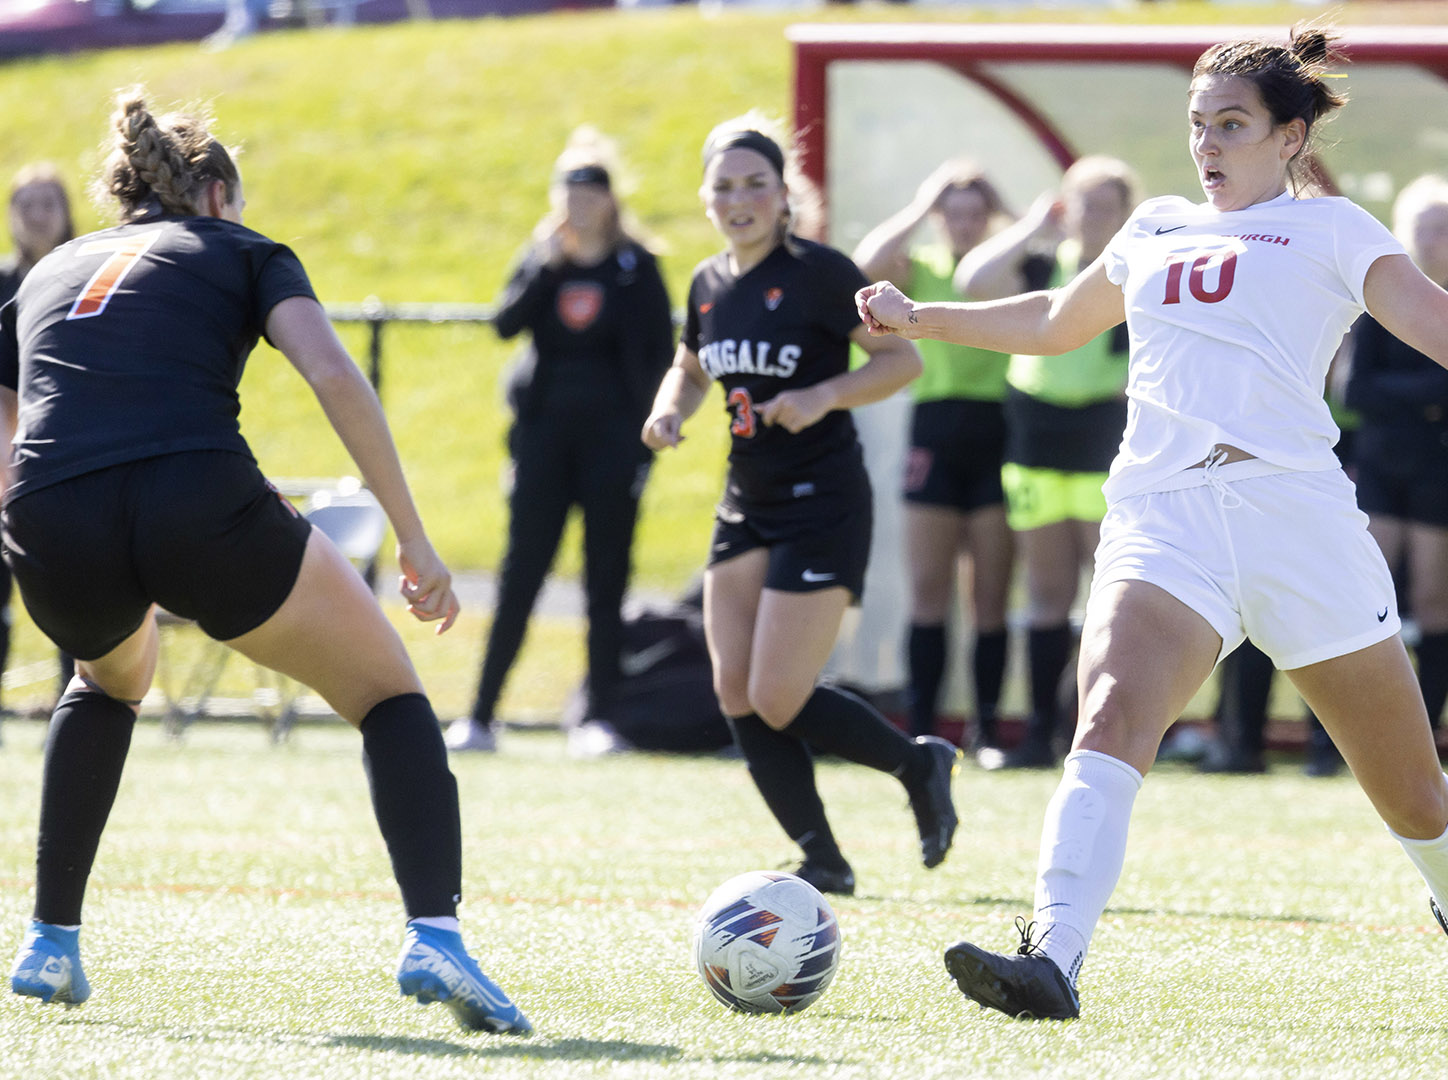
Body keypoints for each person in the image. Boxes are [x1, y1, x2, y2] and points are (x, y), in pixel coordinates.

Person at [859, 30, 1448, 1020]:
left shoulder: (1337, 231)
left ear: (1291, 136)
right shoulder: (1157, 225)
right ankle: (1052, 958)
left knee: (1414, 797)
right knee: (1110, 716)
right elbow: (1052, 323)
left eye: (1231, 125)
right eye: (1196, 125)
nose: (1207, 144)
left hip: (1298, 524)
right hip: (1166, 517)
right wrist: (922, 315)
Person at [0, 90, 528, 1034]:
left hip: (54, 512)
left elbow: (11, 424)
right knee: (389, 696)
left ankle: (49, 940)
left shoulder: (46, 273)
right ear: (214, 197)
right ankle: (436, 937)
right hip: (191, 496)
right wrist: (413, 538)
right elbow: (331, 372)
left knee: (108, 679)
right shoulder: (242, 249)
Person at [643, 115, 959, 897]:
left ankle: (917, 763)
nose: (739, 198)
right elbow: (689, 363)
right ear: (706, 198)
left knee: (778, 693)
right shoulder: (708, 282)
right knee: (735, 691)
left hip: (823, 501)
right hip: (745, 500)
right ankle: (824, 858)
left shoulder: (820, 272)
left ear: (785, 196)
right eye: (725, 186)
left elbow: (900, 359)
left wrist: (821, 395)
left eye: (756, 184)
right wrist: (670, 409)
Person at [444, 129, 675, 756]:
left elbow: (661, 355)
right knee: (521, 574)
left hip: (612, 446)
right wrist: (547, 265)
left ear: (609, 197)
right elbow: (505, 323)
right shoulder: (543, 257)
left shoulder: (636, 267)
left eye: (590, 188)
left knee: (606, 582)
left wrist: (644, 440)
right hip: (545, 442)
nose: (579, 201)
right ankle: (481, 715)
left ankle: (600, 718)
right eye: (568, 187)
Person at [952, 156, 1141, 770]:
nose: (1094, 218)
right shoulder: (1039, 266)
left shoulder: (1133, 275)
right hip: (1036, 448)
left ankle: (1092, 732)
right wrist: (1030, 224)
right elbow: (971, 282)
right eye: (1083, 204)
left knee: (1107, 597)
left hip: (1101, 447)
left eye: (1108, 207)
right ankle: (1037, 732)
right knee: (1046, 596)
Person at [852, 162, 1015, 753]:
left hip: (996, 428)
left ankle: (987, 728)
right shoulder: (918, 269)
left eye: (977, 214)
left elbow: (1053, 270)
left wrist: (1011, 218)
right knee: (929, 589)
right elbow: (866, 264)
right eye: (955, 215)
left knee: (989, 595)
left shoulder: (999, 270)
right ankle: (922, 727)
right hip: (935, 431)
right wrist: (923, 205)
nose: (965, 226)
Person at [1347, 176, 1448, 734]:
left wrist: (1404, 394)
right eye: (1422, 229)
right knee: (1369, 599)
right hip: (1383, 467)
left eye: (1444, 229)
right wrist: (1424, 394)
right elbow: (1357, 392)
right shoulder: (1380, 298)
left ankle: (1426, 733)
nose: (1432, 241)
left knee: (1435, 602)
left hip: (1447, 471)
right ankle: (1355, 732)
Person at [0, 164, 79, 723]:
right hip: (4, 453)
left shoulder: (85, 275)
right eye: (25, 203)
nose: (36, 214)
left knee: (73, 585)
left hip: (65, 450)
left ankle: (73, 703)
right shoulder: (2, 286)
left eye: (46, 202)